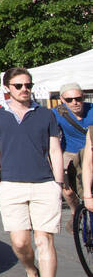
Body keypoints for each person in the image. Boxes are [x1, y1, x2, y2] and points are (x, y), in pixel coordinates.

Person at [0, 67, 64, 277]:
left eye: (28, 85)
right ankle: (32, 271)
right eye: (18, 85)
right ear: (7, 88)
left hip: (44, 184)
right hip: (11, 185)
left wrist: (59, 182)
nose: (24, 90)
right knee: (21, 242)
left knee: (44, 240)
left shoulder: (46, 115)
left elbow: (54, 149)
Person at [52, 83, 93, 228]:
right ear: (62, 100)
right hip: (69, 152)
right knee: (67, 191)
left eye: (78, 98)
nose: (74, 102)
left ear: (83, 96)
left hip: (91, 151)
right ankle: (76, 212)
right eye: (69, 100)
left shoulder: (92, 109)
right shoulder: (56, 114)